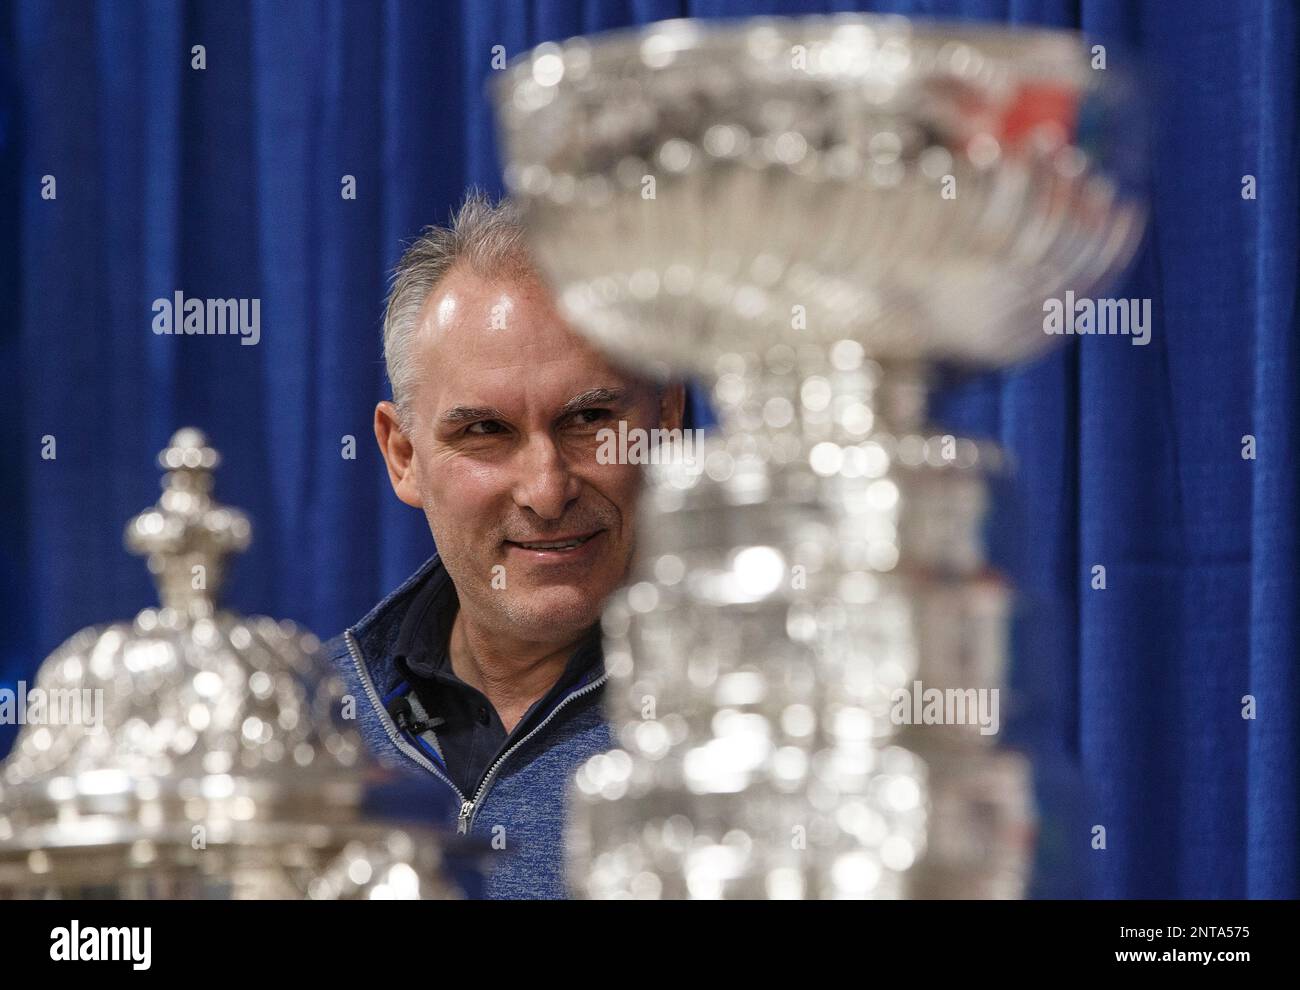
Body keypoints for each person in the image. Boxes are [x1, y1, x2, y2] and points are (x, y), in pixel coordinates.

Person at [325, 190, 685, 898]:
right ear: (403, 455)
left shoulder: (775, 722)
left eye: (588, 418)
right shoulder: (308, 730)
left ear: (666, 421)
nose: (546, 492)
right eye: (485, 432)